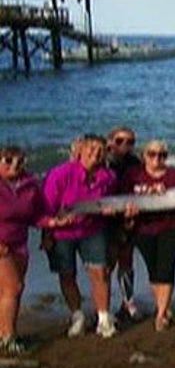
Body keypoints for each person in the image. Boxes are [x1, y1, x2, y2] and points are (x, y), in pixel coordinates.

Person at [41, 134, 119, 338]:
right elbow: (47, 207)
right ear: (80, 151)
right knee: (67, 274)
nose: (96, 153)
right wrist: (47, 234)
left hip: (93, 229)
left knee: (100, 272)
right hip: (62, 231)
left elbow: (110, 203)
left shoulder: (109, 177)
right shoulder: (60, 174)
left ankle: (103, 318)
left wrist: (111, 212)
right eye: (91, 149)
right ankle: (77, 316)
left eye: (101, 150)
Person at [122, 140, 175, 331]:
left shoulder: (174, 176)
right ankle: (163, 306)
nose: (157, 158)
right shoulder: (133, 175)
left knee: (166, 269)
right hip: (143, 229)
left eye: (162, 155)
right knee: (154, 271)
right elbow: (123, 200)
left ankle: (161, 314)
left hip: (170, 227)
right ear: (144, 156)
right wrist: (128, 214)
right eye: (152, 154)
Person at [0, 146, 44, 353]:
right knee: (13, 287)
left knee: (11, 291)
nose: (14, 165)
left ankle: (5, 332)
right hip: (2, 245)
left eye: (20, 161)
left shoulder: (30, 185)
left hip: (19, 243)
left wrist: (54, 223)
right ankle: (9, 338)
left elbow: (36, 215)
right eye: (8, 160)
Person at [105, 126, 142, 321]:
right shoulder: (102, 161)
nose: (125, 145)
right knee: (107, 263)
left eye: (130, 142)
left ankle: (127, 301)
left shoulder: (135, 163)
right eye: (120, 141)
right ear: (110, 141)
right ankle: (104, 306)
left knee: (126, 259)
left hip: (128, 214)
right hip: (105, 217)